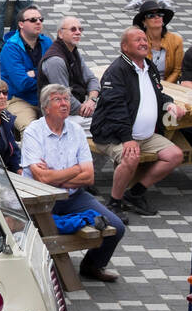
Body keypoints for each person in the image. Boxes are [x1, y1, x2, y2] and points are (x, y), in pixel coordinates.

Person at [21, 85, 126, 281]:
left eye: (66, 99)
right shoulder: (33, 132)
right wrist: (75, 170)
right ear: (45, 107)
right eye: (58, 100)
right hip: (41, 200)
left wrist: (56, 175)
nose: (64, 104)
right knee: (39, 231)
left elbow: (88, 177)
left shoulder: (76, 130)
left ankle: (92, 266)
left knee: (117, 227)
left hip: (74, 197)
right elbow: (41, 179)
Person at [92, 26, 187, 216]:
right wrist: (127, 138)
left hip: (145, 136)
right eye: (138, 40)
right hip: (114, 136)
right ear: (125, 47)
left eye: (145, 40)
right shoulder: (116, 71)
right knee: (131, 156)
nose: (144, 43)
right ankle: (114, 203)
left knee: (175, 155)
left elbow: (158, 94)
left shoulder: (148, 67)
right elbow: (114, 109)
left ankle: (135, 194)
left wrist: (169, 105)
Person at [0, 5, 53, 130]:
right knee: (30, 130)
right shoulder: (10, 49)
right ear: (21, 24)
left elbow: (57, 72)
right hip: (18, 100)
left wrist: (34, 73)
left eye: (41, 19)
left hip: (45, 97)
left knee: (66, 124)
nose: (38, 22)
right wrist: (45, 75)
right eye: (33, 20)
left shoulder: (47, 42)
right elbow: (22, 84)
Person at [39, 15, 101, 114]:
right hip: (59, 115)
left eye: (80, 29)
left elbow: (92, 79)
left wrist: (91, 101)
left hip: (77, 107)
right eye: (73, 29)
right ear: (60, 34)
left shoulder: (73, 52)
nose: (78, 32)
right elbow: (63, 97)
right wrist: (88, 111)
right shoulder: (55, 61)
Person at [133, 0, 186, 81]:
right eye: (151, 16)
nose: (157, 17)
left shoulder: (176, 40)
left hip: (168, 86)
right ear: (144, 22)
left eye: (160, 14)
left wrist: (164, 87)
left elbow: (177, 70)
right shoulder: (137, 42)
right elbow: (135, 69)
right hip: (143, 82)